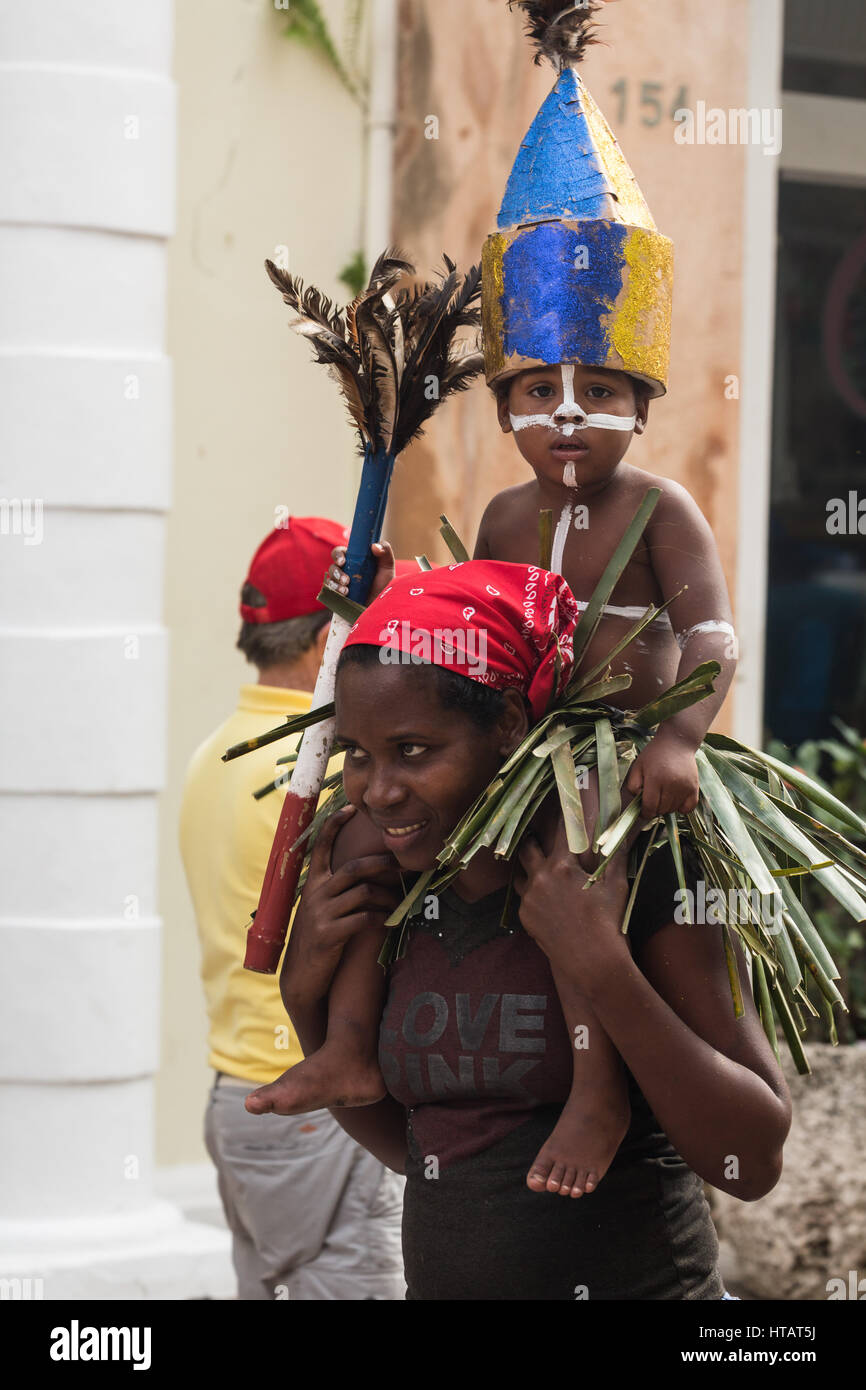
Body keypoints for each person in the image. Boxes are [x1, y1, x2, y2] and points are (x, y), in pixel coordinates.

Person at [252, 0, 737, 1203]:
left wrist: (675, 735)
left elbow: (713, 634)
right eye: (534, 389)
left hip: (608, 762)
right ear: (505, 400)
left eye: (597, 388)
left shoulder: (663, 511)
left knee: (579, 884)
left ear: (642, 395)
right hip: (518, 740)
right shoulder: (510, 519)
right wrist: (384, 596)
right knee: (360, 838)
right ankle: (350, 1038)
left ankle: (596, 1084)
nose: (565, 413)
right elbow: (474, 618)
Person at [247, 561, 791, 1300]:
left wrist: (601, 964)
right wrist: (304, 998)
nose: (378, 790)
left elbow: (750, 1159)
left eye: (414, 750)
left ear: (508, 726)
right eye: (359, 756)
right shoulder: (391, 893)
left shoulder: (633, 864)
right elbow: (420, 1151)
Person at [179, 516, 406, 1300]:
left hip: (236, 1100)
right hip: (312, 1099)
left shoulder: (216, 752)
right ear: (326, 648)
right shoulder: (318, 771)